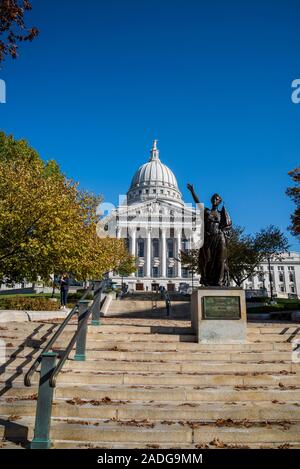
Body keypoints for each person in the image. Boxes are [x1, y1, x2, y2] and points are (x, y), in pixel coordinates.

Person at [187, 184, 232, 286]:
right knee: (207, 260)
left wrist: (225, 234)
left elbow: (228, 226)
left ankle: (219, 282)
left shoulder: (222, 214)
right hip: (209, 238)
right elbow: (198, 203)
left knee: (220, 260)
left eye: (217, 199)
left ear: (219, 201)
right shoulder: (206, 212)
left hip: (219, 237)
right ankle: (207, 280)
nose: (214, 200)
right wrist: (192, 191)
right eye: (213, 199)